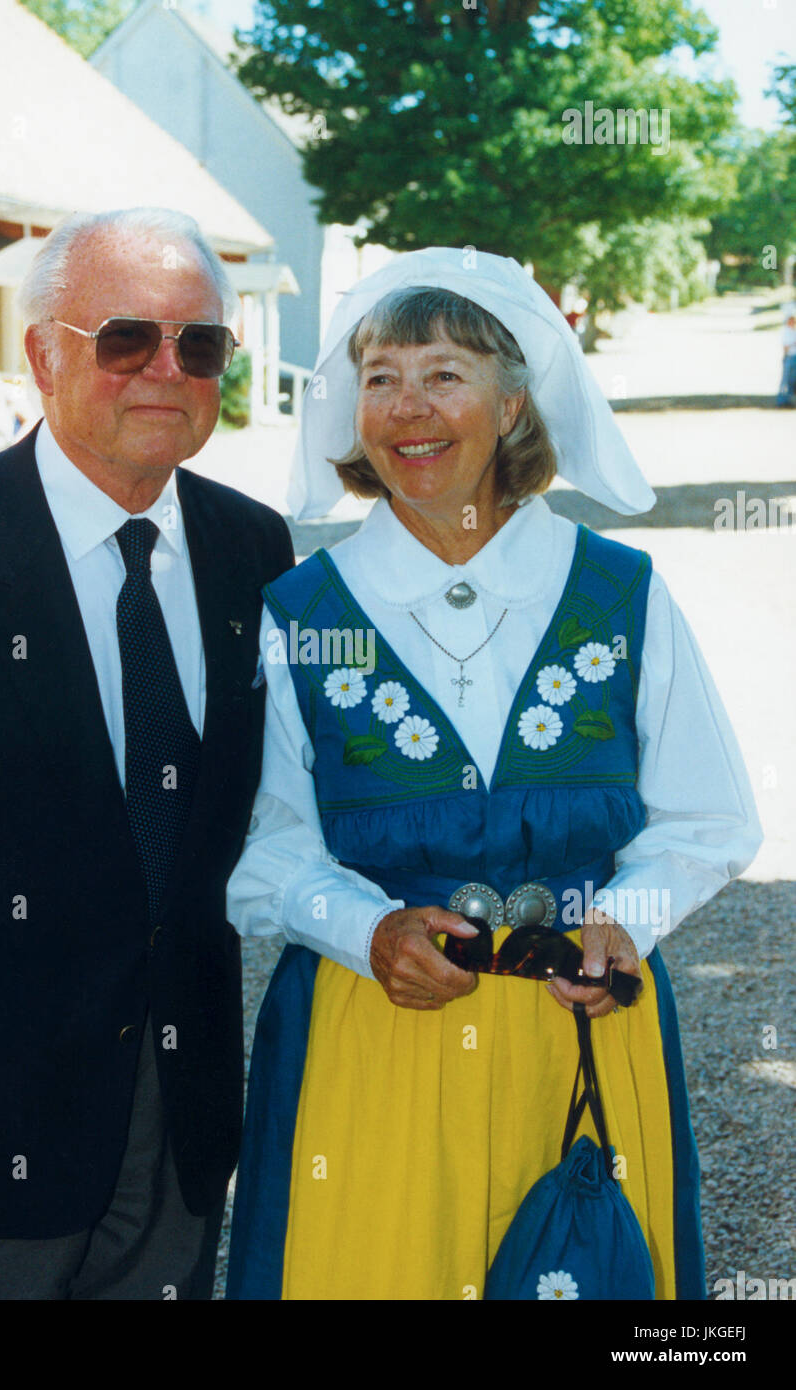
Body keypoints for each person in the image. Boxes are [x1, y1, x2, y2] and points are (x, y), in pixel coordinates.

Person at [225, 249, 761, 1300]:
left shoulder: (618, 594)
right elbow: (265, 841)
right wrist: (365, 929)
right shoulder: (305, 612)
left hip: (575, 1034)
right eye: (380, 377)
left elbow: (709, 816)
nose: (407, 408)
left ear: (513, 403)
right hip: (374, 1033)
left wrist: (625, 918)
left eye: (443, 373)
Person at [0, 207, 293, 1299]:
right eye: (127, 338)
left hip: (178, 1135)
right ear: (43, 353)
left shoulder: (253, 549)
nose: (166, 371)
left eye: (199, 345)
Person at [776, 308, 796, 407]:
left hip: (794, 357)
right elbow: (786, 346)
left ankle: (788, 399)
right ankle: (781, 400)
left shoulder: (793, 331)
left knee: (792, 381)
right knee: (785, 380)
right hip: (789, 357)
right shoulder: (786, 331)